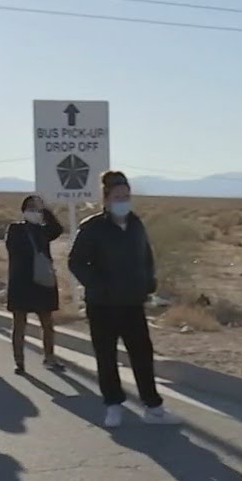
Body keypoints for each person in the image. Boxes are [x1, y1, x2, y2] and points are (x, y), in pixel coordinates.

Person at [68, 170, 181, 428]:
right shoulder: (92, 227)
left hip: (132, 302)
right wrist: (98, 284)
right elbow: (76, 262)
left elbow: (145, 255)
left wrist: (148, 281)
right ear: (106, 199)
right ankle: (113, 405)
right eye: (118, 196)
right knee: (106, 356)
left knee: (142, 354)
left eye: (127, 196)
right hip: (102, 305)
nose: (123, 200)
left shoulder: (136, 224)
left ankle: (153, 408)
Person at [5, 195, 65, 375]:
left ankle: (50, 357)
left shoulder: (43, 230)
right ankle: (19, 362)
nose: (34, 211)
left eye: (36, 208)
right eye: (30, 208)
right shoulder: (15, 229)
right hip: (21, 282)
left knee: (47, 323)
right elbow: (13, 249)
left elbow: (58, 229)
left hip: (41, 282)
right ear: (23, 210)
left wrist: (45, 209)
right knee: (19, 324)